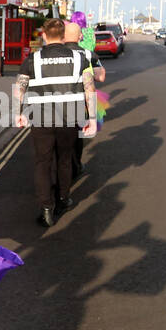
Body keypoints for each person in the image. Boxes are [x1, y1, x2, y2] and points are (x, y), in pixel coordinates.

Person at [13, 17, 97, 228]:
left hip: (42, 119)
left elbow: (19, 87)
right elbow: (90, 89)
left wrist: (18, 113)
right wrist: (93, 119)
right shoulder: (80, 59)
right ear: (63, 36)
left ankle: (46, 209)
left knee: (43, 163)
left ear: (43, 35)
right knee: (64, 159)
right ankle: (63, 199)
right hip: (70, 117)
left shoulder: (33, 59)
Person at [62, 20, 104, 181]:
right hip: (79, 102)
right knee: (77, 138)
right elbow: (101, 76)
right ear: (80, 36)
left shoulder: (52, 53)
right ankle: (76, 166)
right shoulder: (88, 54)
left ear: (63, 36)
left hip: (53, 105)